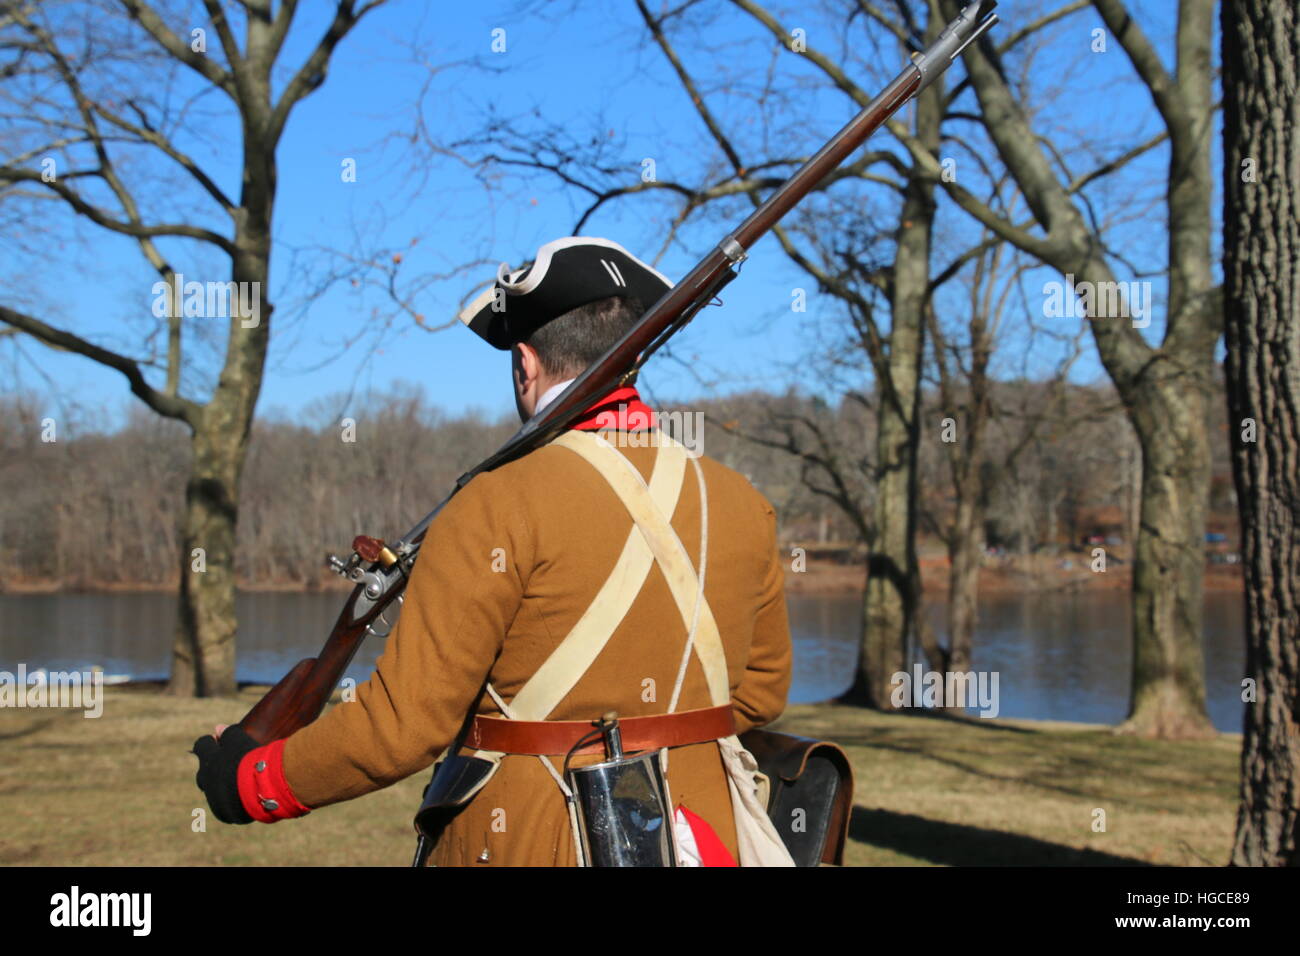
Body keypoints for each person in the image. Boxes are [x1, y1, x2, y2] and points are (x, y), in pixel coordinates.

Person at [193, 237, 794, 866]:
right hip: (707, 836)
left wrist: (248, 781)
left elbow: (401, 728)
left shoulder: (493, 502)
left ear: (526, 364)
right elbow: (758, 695)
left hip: (532, 840)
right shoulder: (742, 501)